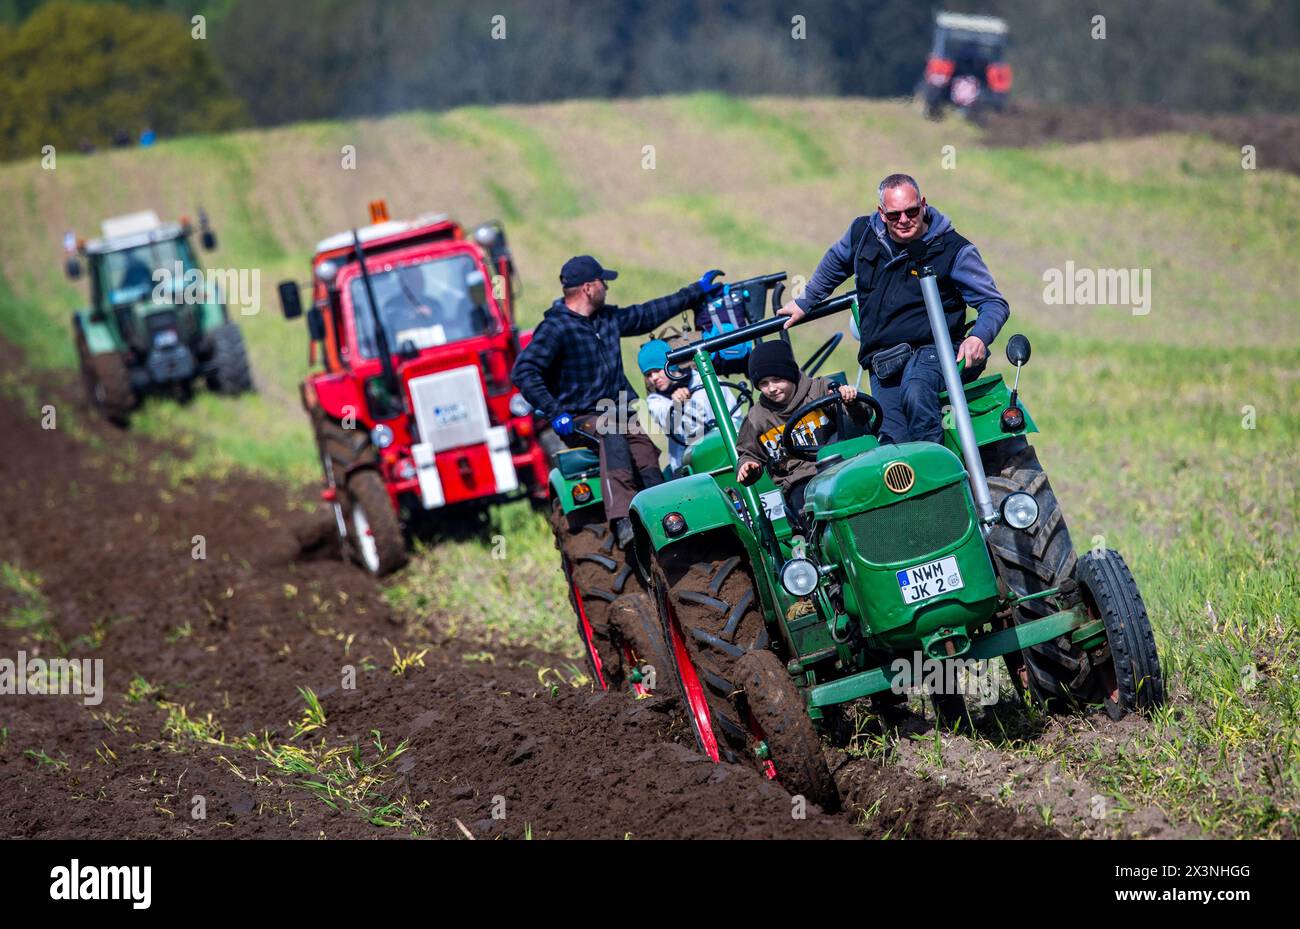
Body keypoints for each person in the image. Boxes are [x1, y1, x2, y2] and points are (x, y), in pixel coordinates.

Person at [777, 173, 1009, 446]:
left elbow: (994, 303)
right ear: (881, 213)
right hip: (884, 359)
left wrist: (978, 336)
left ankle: (938, 471)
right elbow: (836, 262)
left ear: (923, 204)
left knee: (916, 390)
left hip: (935, 350)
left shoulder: (953, 249)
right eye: (894, 215)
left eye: (911, 211)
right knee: (892, 445)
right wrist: (806, 301)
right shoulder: (861, 234)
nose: (903, 220)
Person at [512, 256, 723, 547]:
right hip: (579, 418)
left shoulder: (606, 319)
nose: (606, 288)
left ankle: (667, 515)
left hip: (618, 413)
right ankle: (623, 521)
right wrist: (554, 411)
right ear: (588, 288)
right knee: (612, 431)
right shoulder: (555, 329)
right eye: (603, 282)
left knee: (646, 452)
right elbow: (523, 371)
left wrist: (694, 292)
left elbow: (646, 314)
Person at [734, 340, 867, 527]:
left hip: (838, 465)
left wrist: (849, 400)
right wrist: (748, 465)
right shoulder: (757, 418)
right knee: (808, 508)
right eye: (763, 383)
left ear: (790, 374)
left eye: (777, 379)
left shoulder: (819, 389)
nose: (771, 388)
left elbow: (861, 417)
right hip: (799, 481)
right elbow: (748, 453)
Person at [637, 338, 736, 474]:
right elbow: (693, 433)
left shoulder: (703, 379)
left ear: (669, 366)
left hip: (726, 446)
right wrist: (678, 405)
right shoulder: (655, 401)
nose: (653, 378)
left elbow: (735, 416)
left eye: (657, 370)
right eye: (648, 375)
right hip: (687, 463)